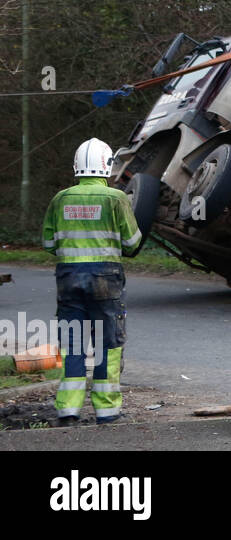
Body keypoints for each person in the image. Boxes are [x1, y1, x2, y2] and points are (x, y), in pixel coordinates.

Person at [41, 138, 142, 425]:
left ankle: (68, 409)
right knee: (107, 344)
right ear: (107, 165)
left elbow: (48, 242)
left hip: (68, 279)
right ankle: (106, 411)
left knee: (72, 345)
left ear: (76, 166)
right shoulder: (116, 198)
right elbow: (132, 243)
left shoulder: (61, 199)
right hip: (105, 280)